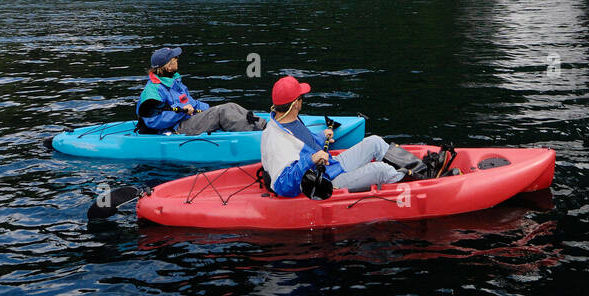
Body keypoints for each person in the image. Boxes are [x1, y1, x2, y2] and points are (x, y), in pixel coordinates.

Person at [261, 75, 402, 197]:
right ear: (295, 104)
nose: (302, 100)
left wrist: (321, 138)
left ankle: (408, 168)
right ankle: (413, 184)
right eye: (301, 97)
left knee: (375, 141)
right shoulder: (277, 140)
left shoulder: (291, 120)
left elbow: (305, 145)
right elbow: (282, 185)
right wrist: (311, 159)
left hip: (331, 165)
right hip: (325, 180)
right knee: (381, 170)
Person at [136, 47, 264, 135]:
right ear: (168, 66)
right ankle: (258, 134)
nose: (178, 61)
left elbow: (191, 103)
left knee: (229, 106)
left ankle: (263, 126)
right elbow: (153, 120)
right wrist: (180, 111)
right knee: (222, 112)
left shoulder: (175, 82)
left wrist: (209, 110)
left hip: (187, 119)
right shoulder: (153, 91)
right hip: (177, 127)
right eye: (175, 60)